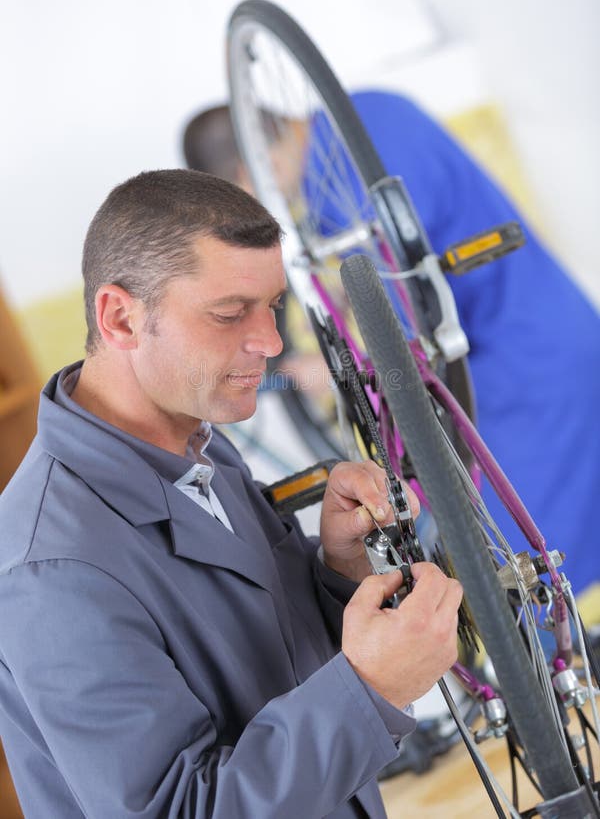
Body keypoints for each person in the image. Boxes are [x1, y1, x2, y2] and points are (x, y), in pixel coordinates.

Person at [0, 169, 462, 818]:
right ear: (120, 318)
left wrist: (339, 569)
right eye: (228, 313)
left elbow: (263, 664)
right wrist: (371, 687)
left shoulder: (197, 438)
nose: (270, 343)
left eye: (271, 305)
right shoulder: (49, 568)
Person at [182, 95, 600, 600]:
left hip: (519, 372)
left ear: (255, 170)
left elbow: (405, 346)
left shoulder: (338, 198)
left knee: (520, 574)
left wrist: (332, 370)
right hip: (551, 321)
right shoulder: (368, 110)